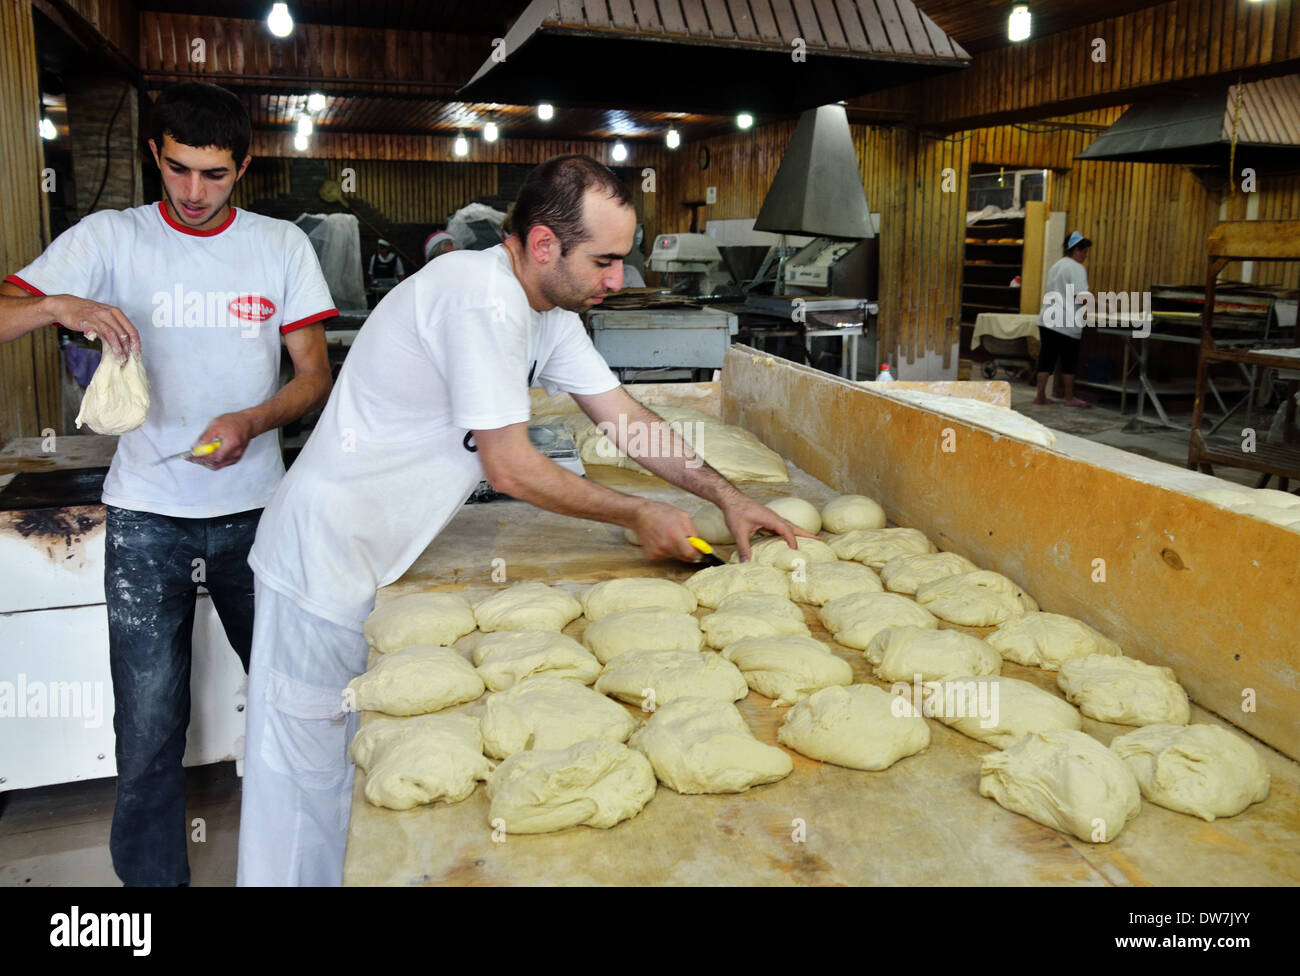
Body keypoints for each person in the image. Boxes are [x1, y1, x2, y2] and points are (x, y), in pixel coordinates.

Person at [237, 154, 809, 886]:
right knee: (307, 785)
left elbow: (626, 421)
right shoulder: (477, 297)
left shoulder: (549, 312)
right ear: (544, 244)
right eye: (604, 261)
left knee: (366, 765)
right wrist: (638, 513)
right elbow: (508, 466)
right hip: (319, 564)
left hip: (377, 560)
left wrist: (726, 496)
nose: (616, 280)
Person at [0, 81, 336, 886]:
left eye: (214, 175)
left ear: (244, 166)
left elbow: (314, 377)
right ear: (155, 153)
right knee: (150, 723)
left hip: (259, 515)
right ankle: (153, 890)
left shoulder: (279, 247)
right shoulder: (110, 238)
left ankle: (316, 864)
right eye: (178, 170)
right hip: (148, 518)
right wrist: (57, 305)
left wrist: (254, 422)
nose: (192, 193)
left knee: (304, 702)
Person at [1035, 230, 1092, 407]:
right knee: (1069, 360)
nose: (1085, 256)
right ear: (1076, 250)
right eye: (1084, 252)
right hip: (1065, 322)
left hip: (1047, 318)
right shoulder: (1076, 268)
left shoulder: (1056, 266)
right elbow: (1080, 296)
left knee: (1046, 358)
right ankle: (1069, 398)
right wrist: (1104, 305)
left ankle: (1040, 396)